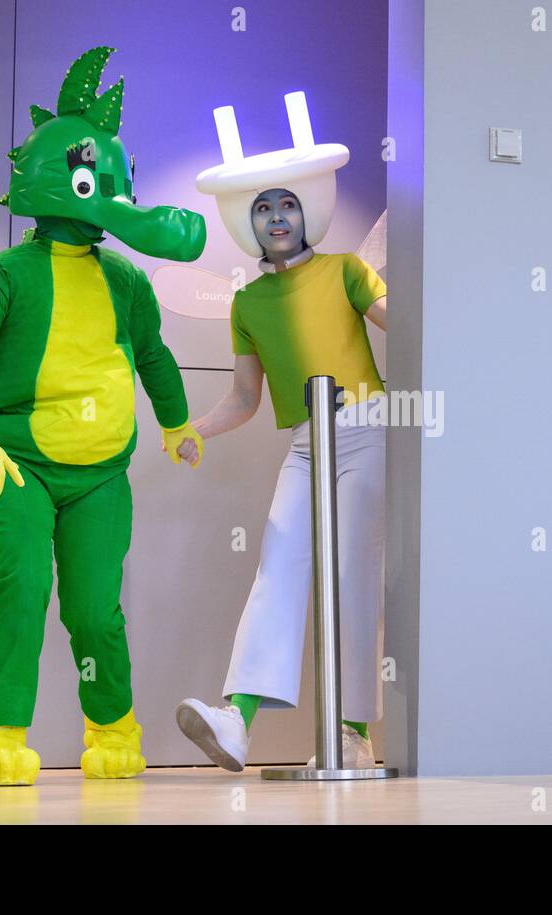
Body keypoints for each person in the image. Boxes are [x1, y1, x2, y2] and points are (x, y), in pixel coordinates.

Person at [0, 47, 206, 785]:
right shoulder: (8, 273)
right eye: (90, 181)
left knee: (97, 610)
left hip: (102, 476)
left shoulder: (127, 278)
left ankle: (112, 727)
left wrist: (177, 421)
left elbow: (154, 355)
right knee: (25, 585)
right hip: (17, 466)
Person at [174, 94, 388, 770]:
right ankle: (235, 721)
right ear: (249, 220)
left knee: (354, 573)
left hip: (366, 426)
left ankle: (353, 732)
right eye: (263, 208)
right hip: (305, 440)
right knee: (278, 561)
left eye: (287, 205)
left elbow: (403, 324)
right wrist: (195, 428)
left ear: (307, 211)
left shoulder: (346, 270)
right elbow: (245, 394)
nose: (276, 218)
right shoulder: (247, 302)